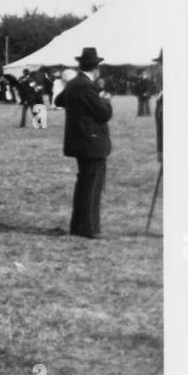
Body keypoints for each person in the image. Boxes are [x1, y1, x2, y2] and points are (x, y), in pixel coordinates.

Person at [55, 47, 113, 239]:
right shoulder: (87, 86)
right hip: (91, 142)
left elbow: (59, 100)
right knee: (91, 186)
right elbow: (104, 114)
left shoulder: (74, 83)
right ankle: (89, 228)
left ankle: (78, 226)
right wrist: (105, 99)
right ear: (96, 68)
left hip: (80, 141)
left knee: (84, 184)